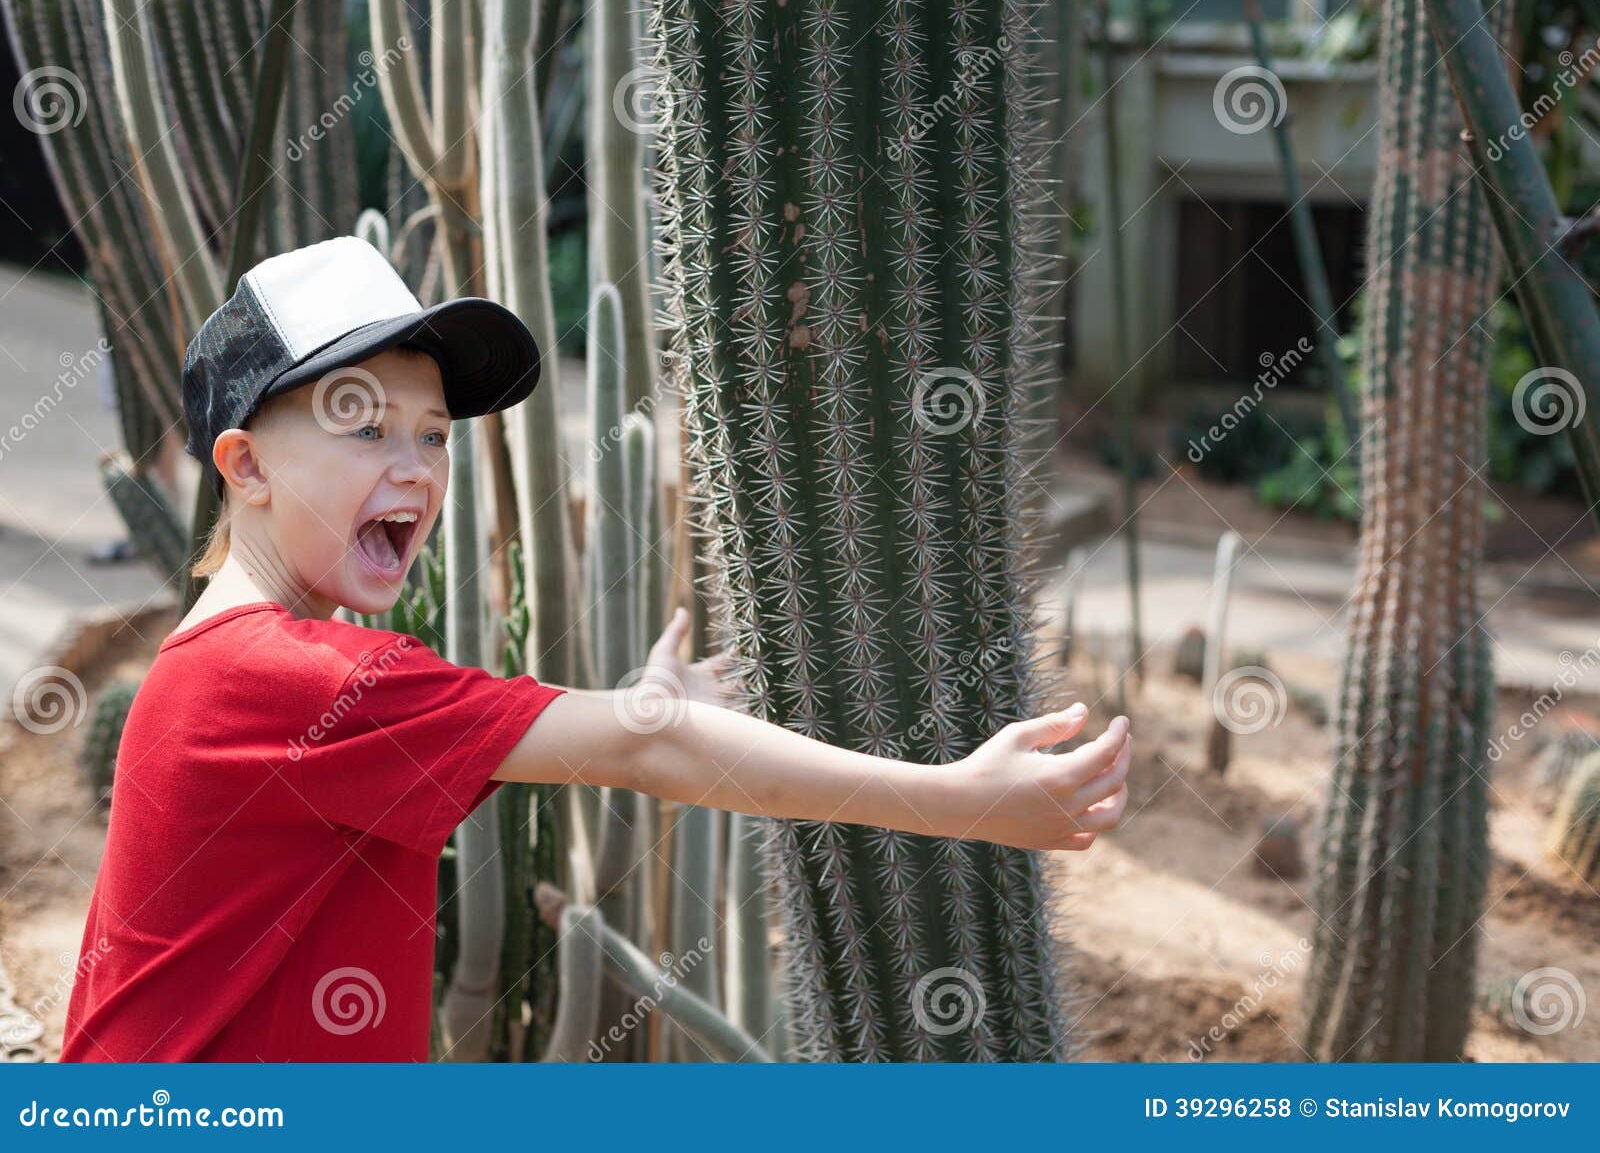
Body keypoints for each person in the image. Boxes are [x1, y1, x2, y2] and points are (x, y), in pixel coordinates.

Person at [59, 237, 1131, 1062]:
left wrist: (633, 704)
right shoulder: (289, 676)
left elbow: (574, 733)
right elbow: (641, 752)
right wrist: (957, 800)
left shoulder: (240, 662)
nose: (417, 468)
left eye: (432, 434)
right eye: (364, 424)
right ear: (243, 466)